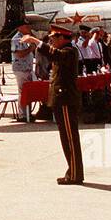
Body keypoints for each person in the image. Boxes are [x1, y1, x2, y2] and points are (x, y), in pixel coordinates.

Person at [37, 24, 83, 184]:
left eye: (53, 38)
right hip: (61, 100)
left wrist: (36, 42)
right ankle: (72, 171)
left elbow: (55, 55)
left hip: (65, 100)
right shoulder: (65, 52)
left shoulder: (69, 51)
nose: (51, 41)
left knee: (70, 138)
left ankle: (75, 174)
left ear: (62, 38)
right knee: (66, 137)